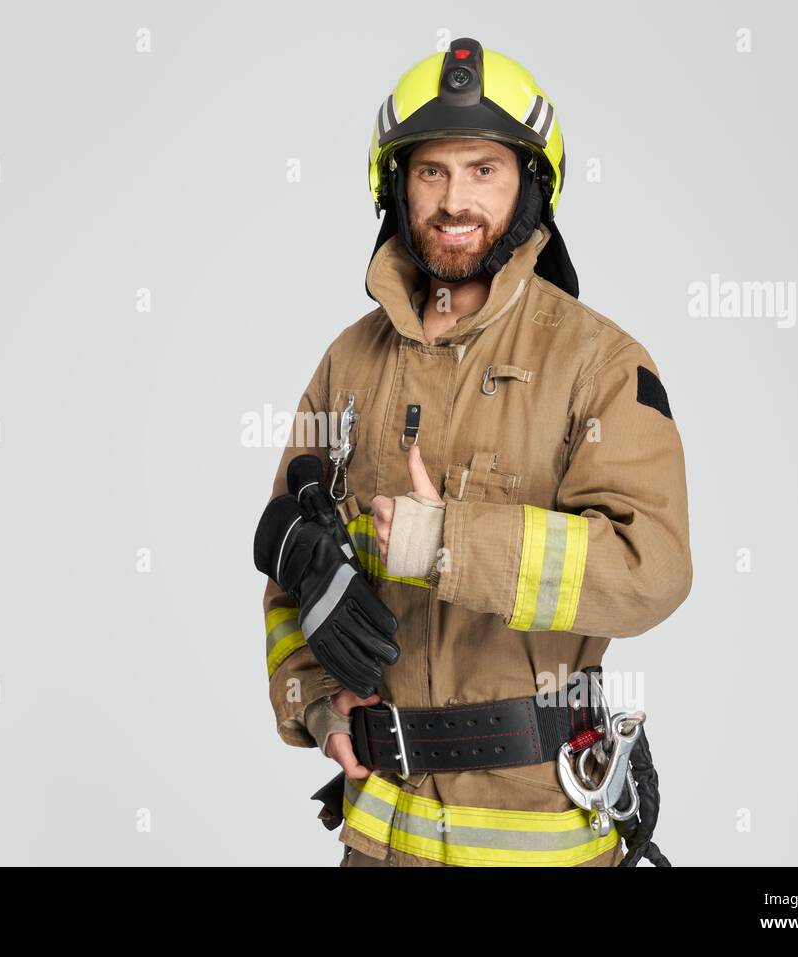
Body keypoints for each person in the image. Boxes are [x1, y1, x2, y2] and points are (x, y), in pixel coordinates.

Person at [254, 38, 693, 867]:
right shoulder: (347, 364)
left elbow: (652, 566)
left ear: (530, 187)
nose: (456, 200)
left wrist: (444, 542)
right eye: (431, 172)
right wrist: (318, 701)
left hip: (544, 837)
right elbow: (291, 573)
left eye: (484, 170)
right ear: (396, 187)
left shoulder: (599, 364)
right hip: (376, 835)